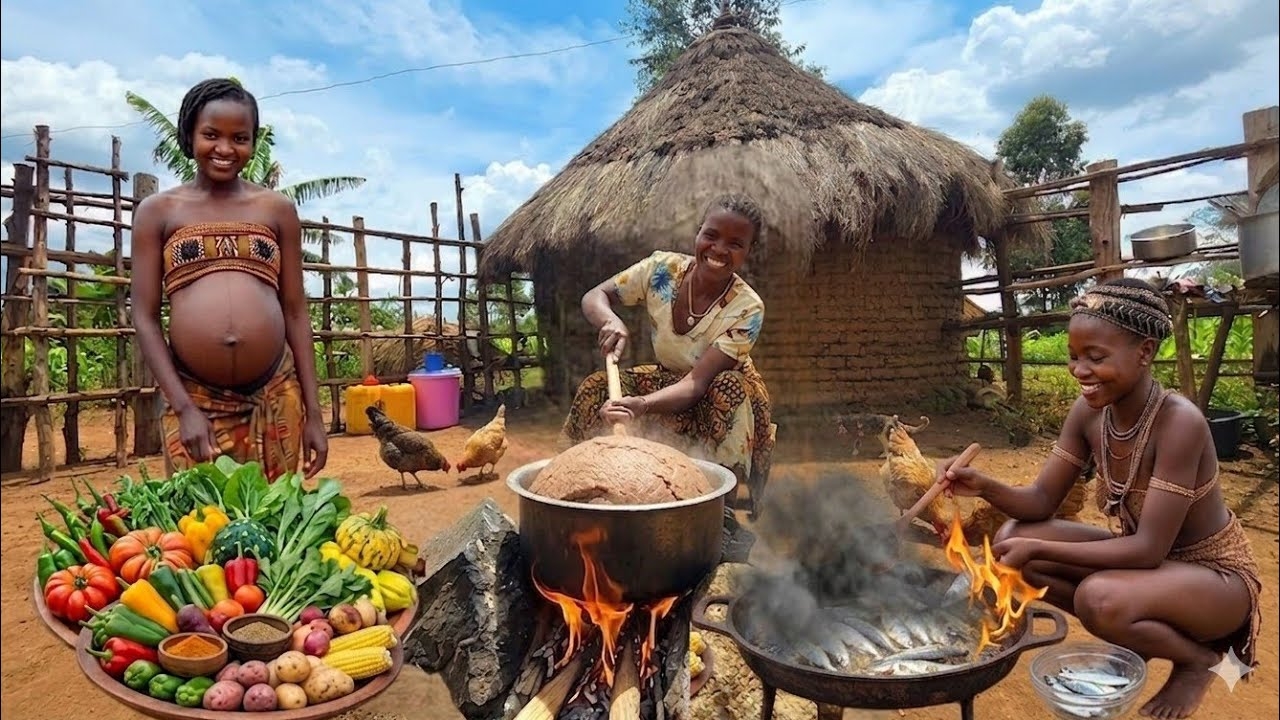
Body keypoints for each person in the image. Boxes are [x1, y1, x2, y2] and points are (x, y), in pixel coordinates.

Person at [939, 278, 1262, 720]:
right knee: (1016, 533)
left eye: (1096, 357)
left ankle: (1198, 661)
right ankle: (1138, 635)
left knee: (1098, 599)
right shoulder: (1090, 413)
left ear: (1144, 352)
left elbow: (1148, 550)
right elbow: (1039, 503)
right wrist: (984, 485)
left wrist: (1035, 548)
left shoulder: (1179, 423)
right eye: (1074, 357)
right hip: (1153, 570)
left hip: (1213, 580)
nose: (1080, 371)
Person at [131, 78, 328, 481]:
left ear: (253, 142)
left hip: (276, 394)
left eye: (240, 137)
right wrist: (184, 408)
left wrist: (315, 413)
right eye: (211, 135)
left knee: (277, 528)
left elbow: (294, 310)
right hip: (196, 401)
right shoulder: (158, 212)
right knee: (199, 528)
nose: (225, 149)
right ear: (189, 136)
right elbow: (145, 317)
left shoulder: (276, 210)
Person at [562, 194, 776, 519]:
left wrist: (642, 405)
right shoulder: (661, 270)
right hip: (667, 377)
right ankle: (578, 487)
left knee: (728, 389)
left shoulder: (746, 308)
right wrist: (610, 320)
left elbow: (697, 383)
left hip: (714, 389)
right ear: (698, 232)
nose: (719, 249)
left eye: (735, 243)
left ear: (749, 252)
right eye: (711, 235)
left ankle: (720, 515)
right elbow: (596, 295)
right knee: (596, 388)